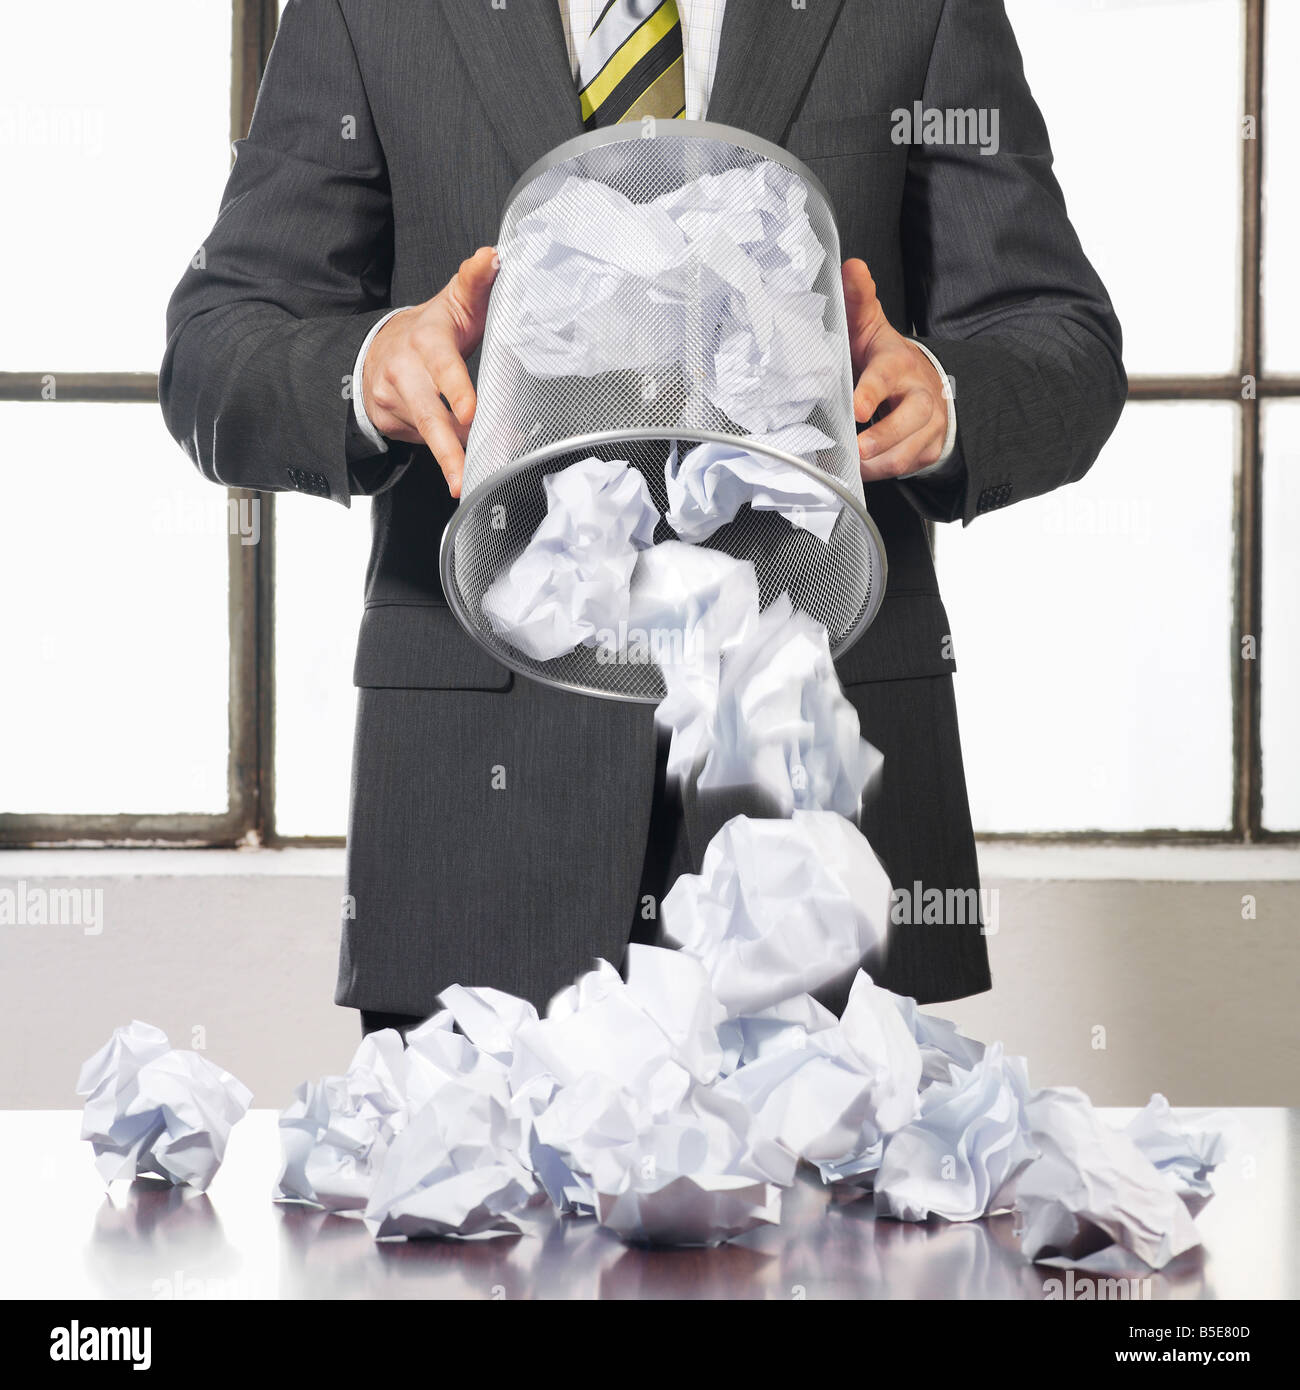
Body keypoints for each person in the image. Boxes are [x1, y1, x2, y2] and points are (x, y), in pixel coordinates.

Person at [160, 0, 1126, 1038]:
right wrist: (368, 368)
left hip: (820, 822)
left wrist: (941, 390)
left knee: (834, 1206)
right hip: (479, 829)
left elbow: (1061, 339)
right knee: (482, 1203)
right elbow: (218, 348)